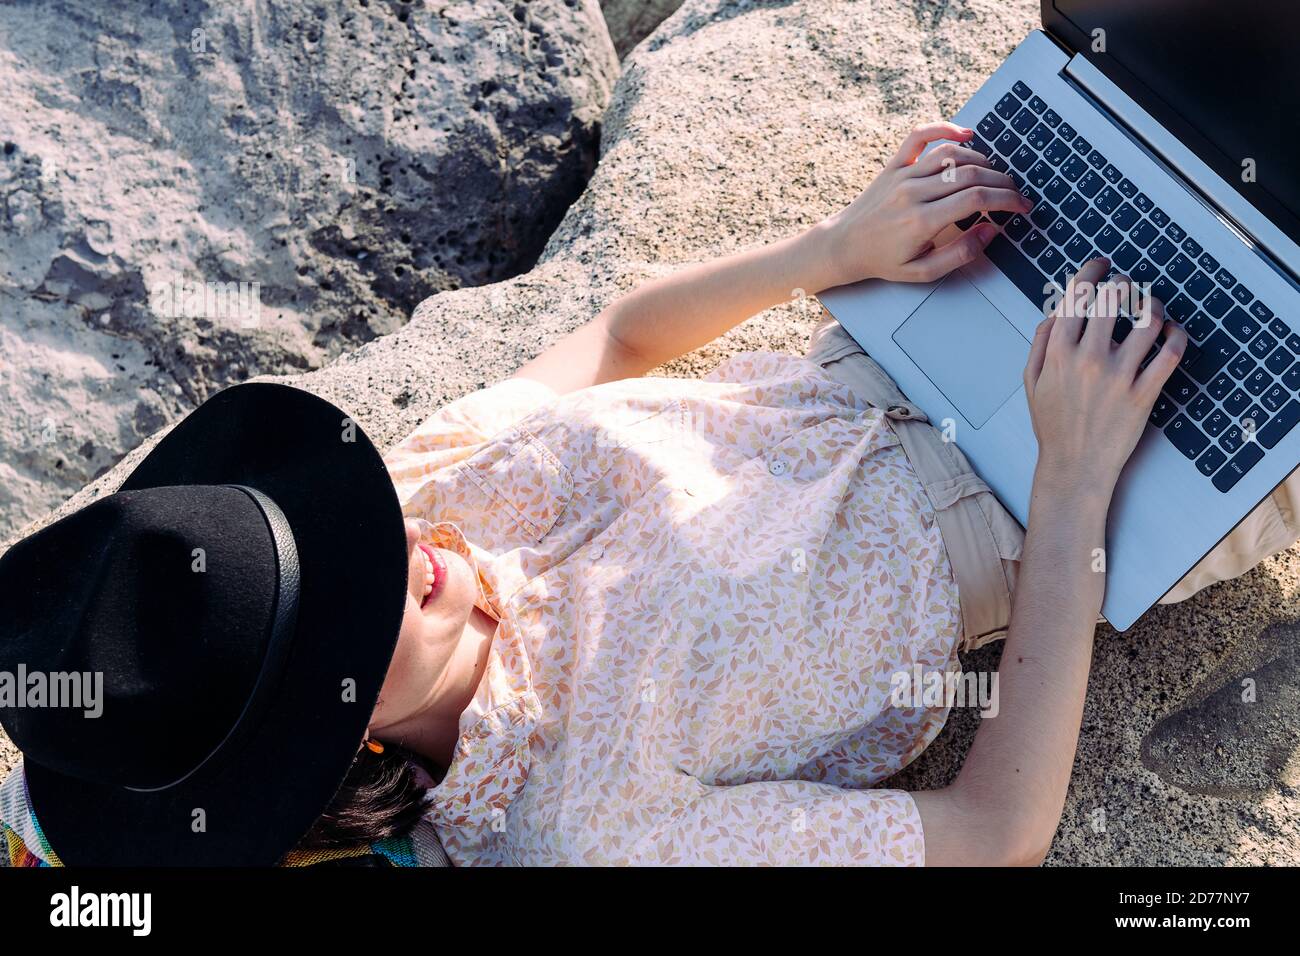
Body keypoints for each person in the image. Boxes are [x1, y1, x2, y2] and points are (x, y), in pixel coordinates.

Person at [3, 123, 1296, 867]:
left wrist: (832, 250)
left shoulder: (420, 500)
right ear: (337, 747)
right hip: (1050, 507)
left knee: (1159, 103)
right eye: (349, 613)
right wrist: (1073, 488)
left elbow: (619, 336)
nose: (395, 544)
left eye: (339, 544)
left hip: (891, 341)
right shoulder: (594, 833)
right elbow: (995, 829)